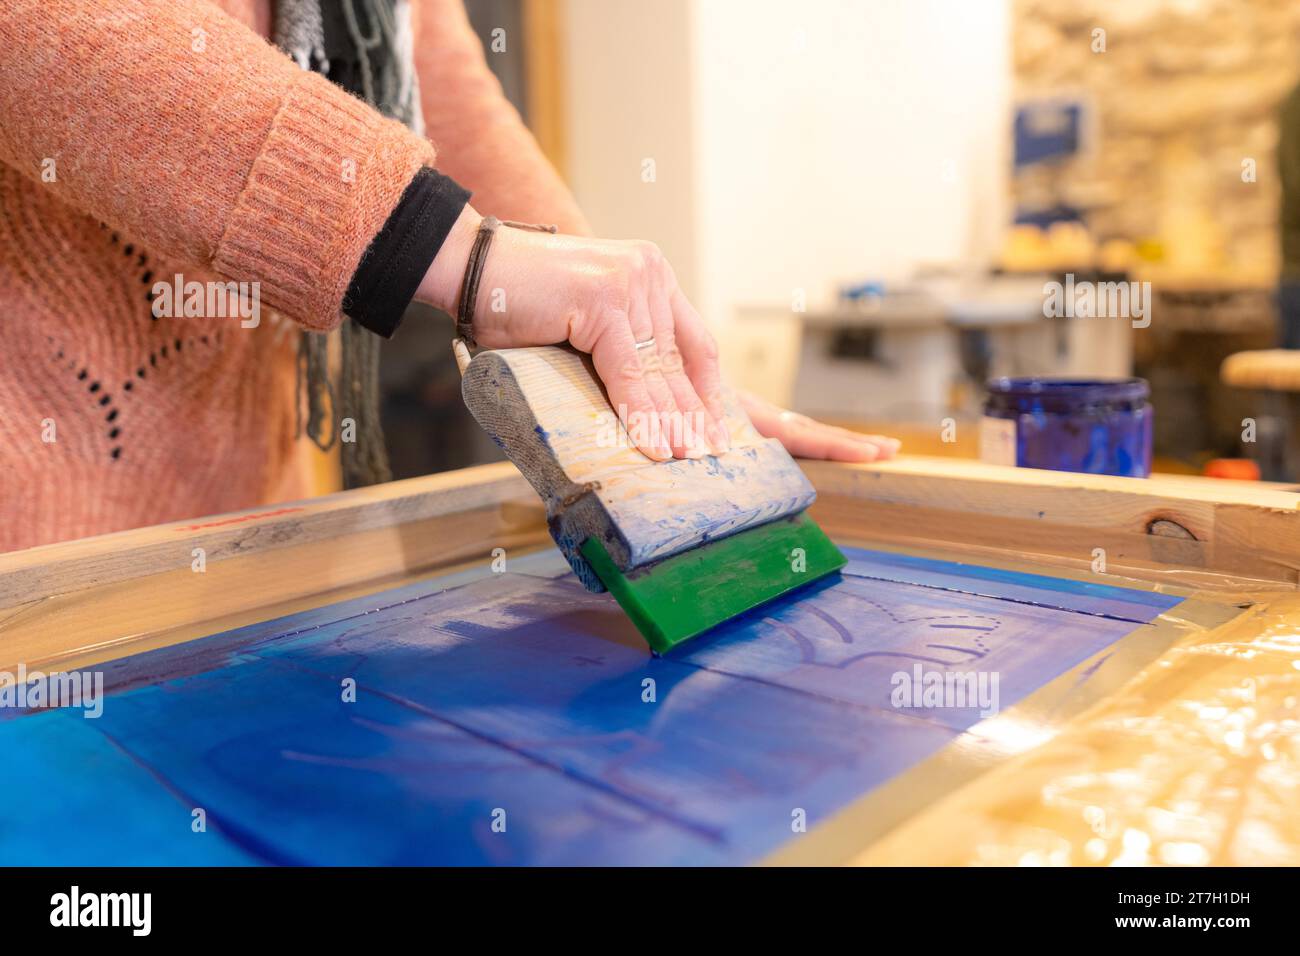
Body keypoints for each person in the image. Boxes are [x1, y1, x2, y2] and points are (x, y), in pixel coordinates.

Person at [0, 0, 897, 554]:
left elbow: (446, 88)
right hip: (30, 554)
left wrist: (628, 351)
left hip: (237, 532)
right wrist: (462, 254)